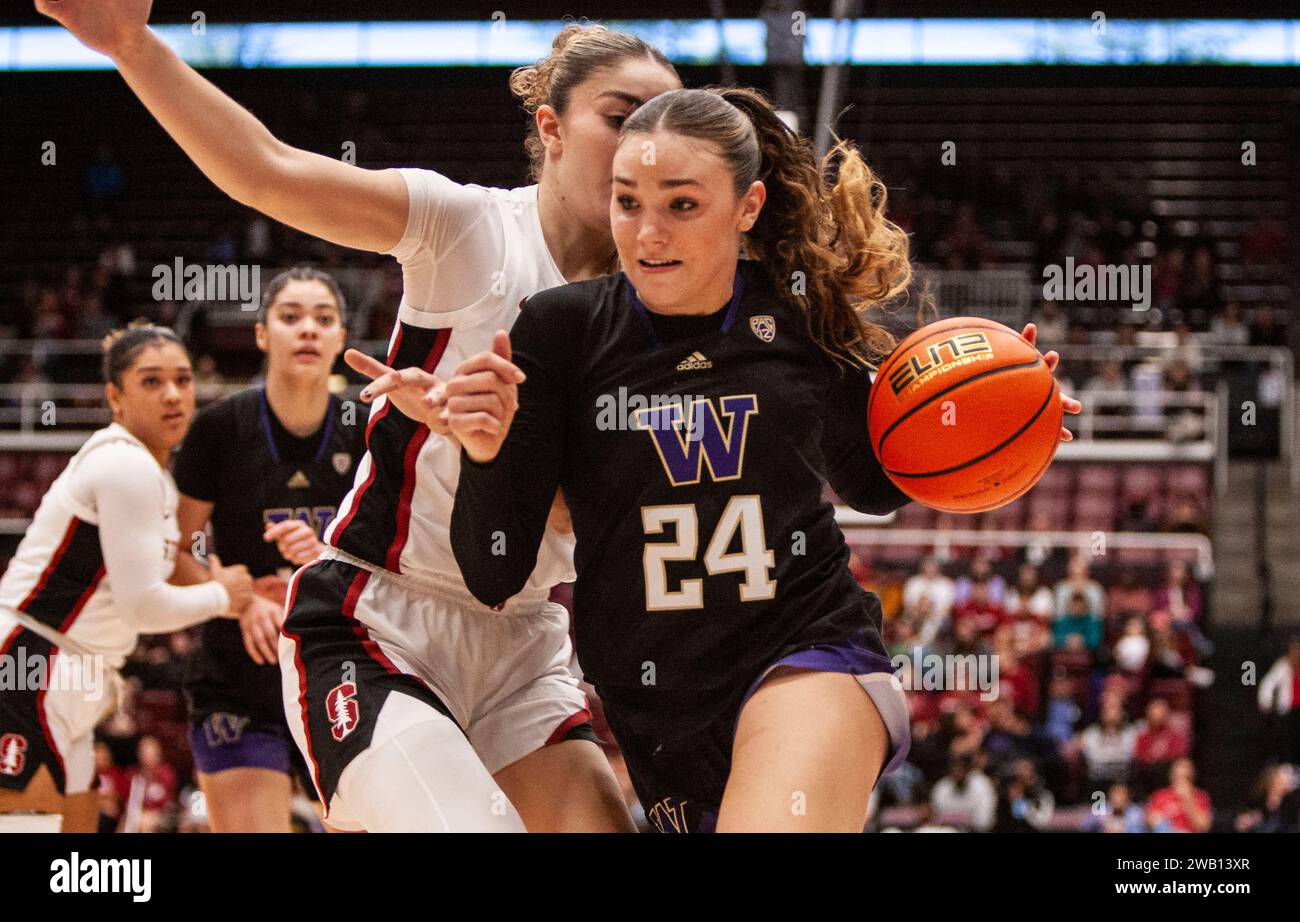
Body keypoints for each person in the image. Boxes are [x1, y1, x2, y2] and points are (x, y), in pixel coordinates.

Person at [38, 0, 682, 831]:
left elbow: (586, 513)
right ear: (551, 127)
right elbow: (269, 170)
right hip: (379, 620)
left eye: (660, 130)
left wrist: (485, 439)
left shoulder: (657, 313)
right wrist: (131, 45)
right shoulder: (467, 226)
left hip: (525, 644)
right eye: (620, 119)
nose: (641, 148)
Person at [436, 86, 1079, 831]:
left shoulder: (794, 314)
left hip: (807, 651)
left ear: (748, 206)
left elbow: (874, 485)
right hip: (656, 713)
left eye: (682, 205)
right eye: (626, 201)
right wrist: (484, 453)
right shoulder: (561, 330)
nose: (647, 233)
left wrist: (993, 417)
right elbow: (493, 571)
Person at [0, 323, 252, 832]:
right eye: (152, 382)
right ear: (115, 396)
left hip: (65, 669)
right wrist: (223, 596)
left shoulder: (149, 473)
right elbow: (144, 607)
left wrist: (238, 594)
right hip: (29, 664)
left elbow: (161, 574)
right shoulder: (124, 465)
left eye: (182, 379)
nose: (174, 394)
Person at [170, 268, 363, 832]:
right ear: (261, 334)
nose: (307, 329)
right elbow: (172, 552)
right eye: (291, 317)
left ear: (342, 337)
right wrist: (237, 597)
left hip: (343, 666)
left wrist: (327, 554)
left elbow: (401, 564)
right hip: (240, 673)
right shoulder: (217, 429)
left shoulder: (368, 425)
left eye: (323, 319)